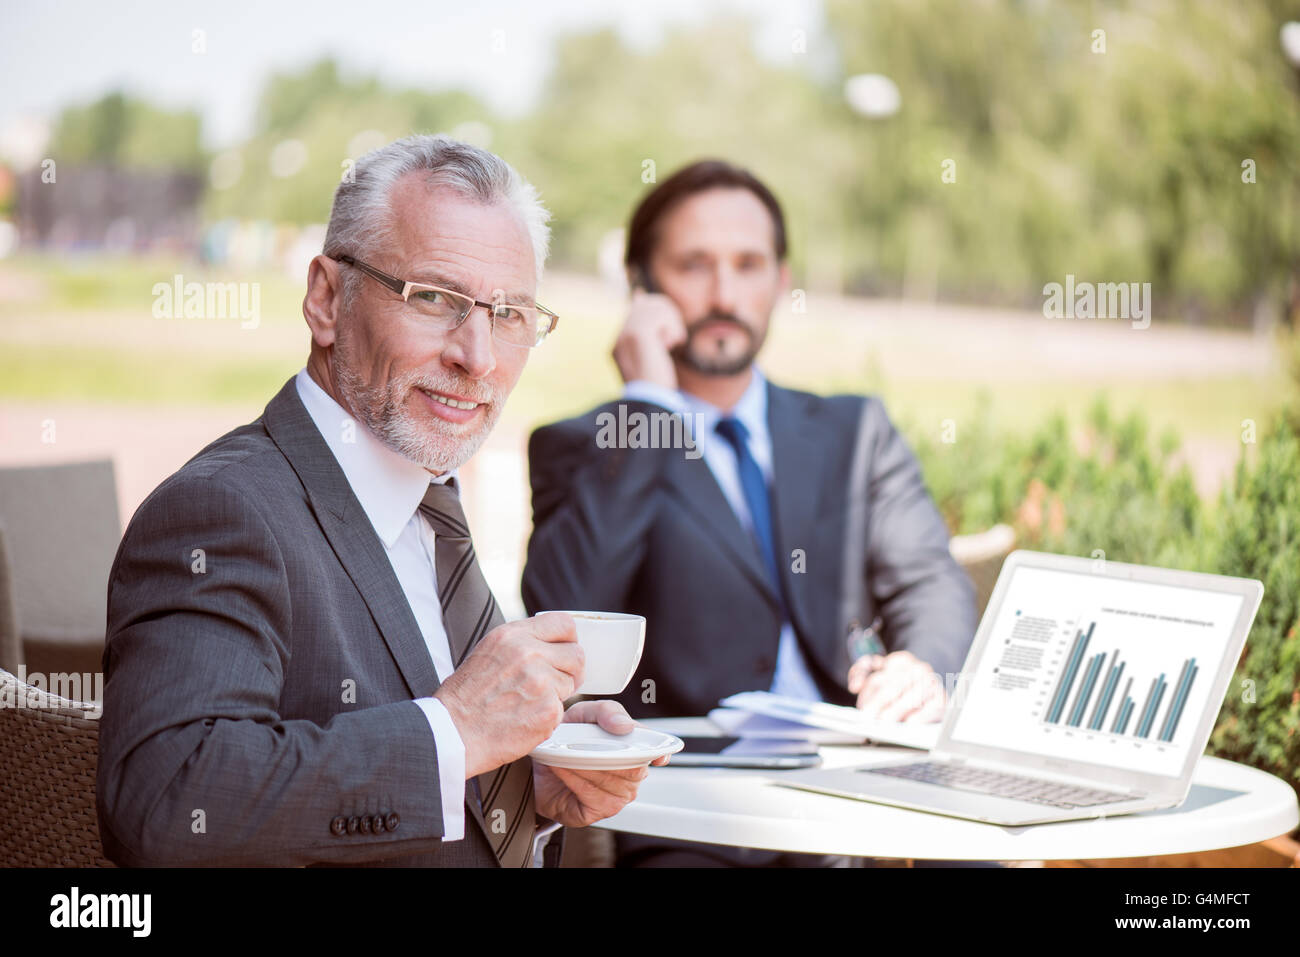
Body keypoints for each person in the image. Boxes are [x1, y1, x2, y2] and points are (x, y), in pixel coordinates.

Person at [96, 134, 663, 868]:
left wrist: (521, 775)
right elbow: (167, 800)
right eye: (434, 298)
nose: (478, 356)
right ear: (327, 299)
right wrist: (457, 730)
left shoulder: (429, 503)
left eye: (512, 314)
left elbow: (425, 756)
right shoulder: (223, 511)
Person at [521, 159, 977, 867]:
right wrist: (648, 407)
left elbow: (929, 579)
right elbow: (564, 613)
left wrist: (924, 665)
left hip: (862, 778)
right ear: (642, 286)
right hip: (695, 812)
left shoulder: (854, 431)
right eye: (694, 265)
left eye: (748, 264)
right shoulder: (587, 446)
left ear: (781, 281)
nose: (725, 292)